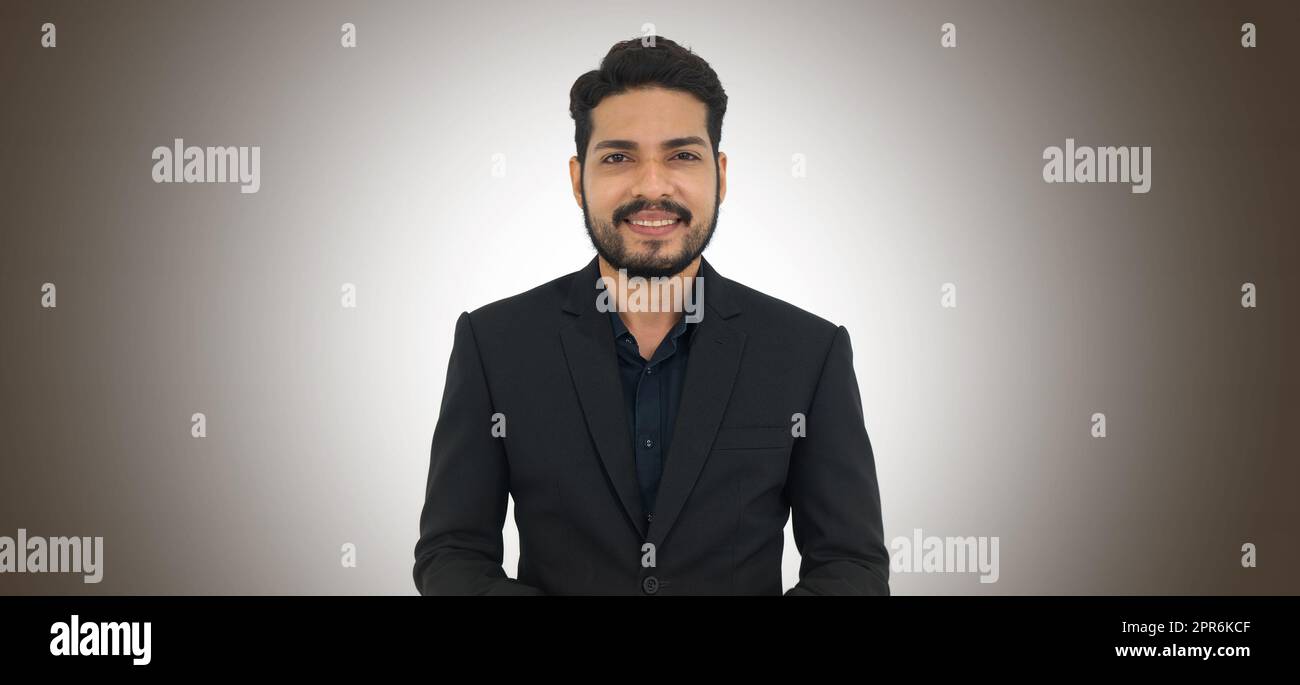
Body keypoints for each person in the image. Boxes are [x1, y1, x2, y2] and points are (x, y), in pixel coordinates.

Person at [414, 36, 888, 595]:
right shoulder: (493, 344)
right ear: (576, 179)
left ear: (721, 175)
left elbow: (849, 566)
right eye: (618, 157)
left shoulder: (809, 352)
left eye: (682, 155)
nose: (652, 186)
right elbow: (453, 554)